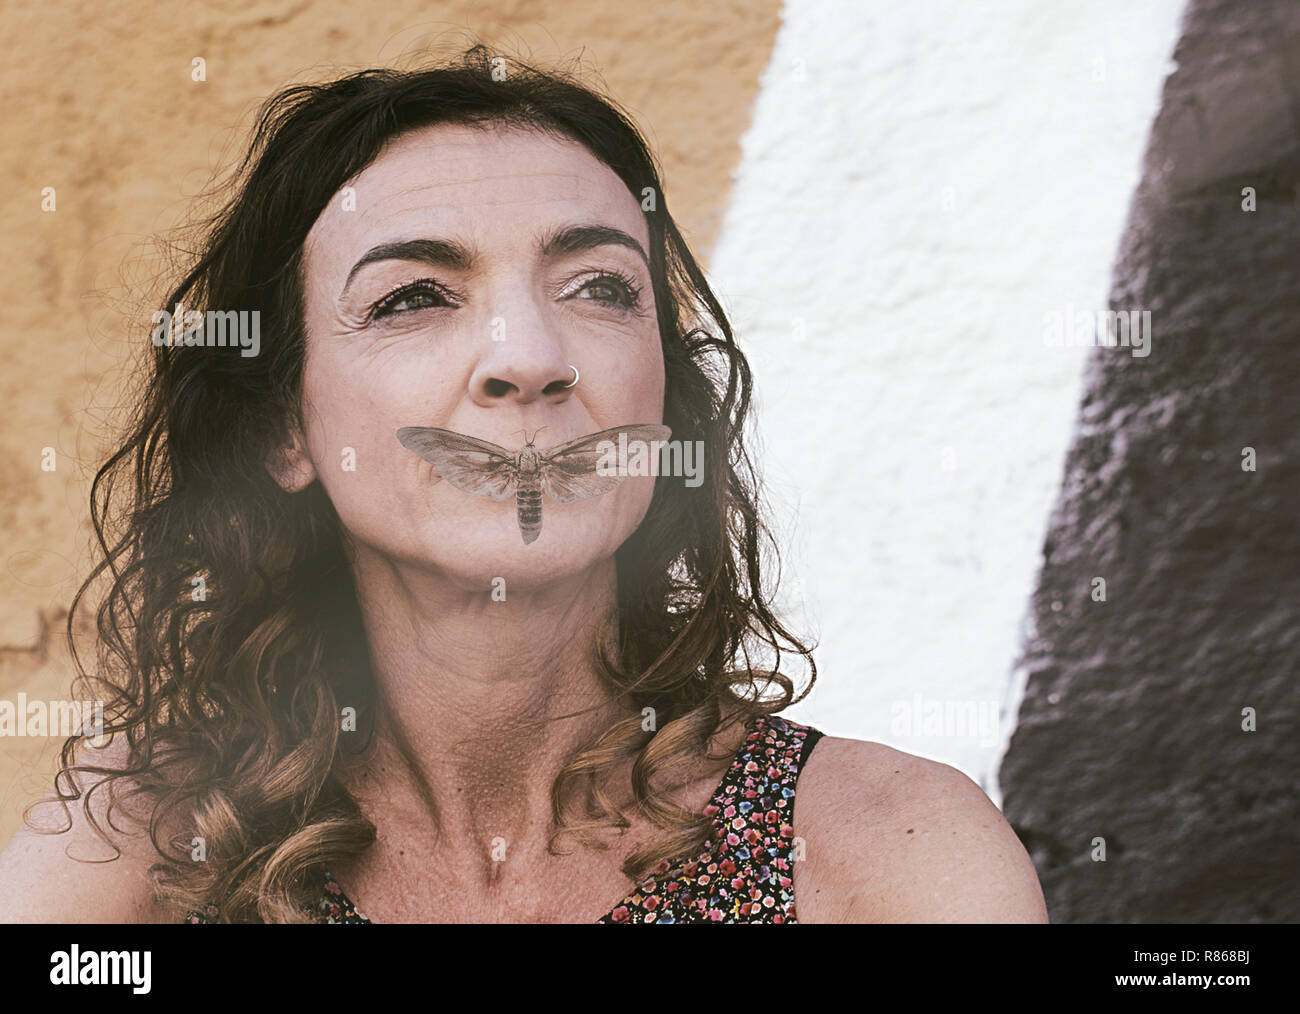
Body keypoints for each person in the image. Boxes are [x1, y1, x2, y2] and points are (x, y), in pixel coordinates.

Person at [0, 45, 1047, 924]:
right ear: (285, 425)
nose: (529, 355)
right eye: (413, 296)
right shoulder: (147, 852)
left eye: (599, 287)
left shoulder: (887, 856)